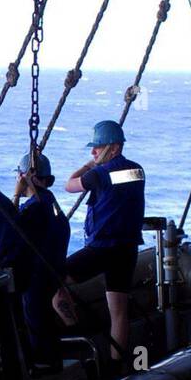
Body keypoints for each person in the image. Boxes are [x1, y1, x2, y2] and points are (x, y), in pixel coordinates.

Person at [54, 119, 145, 366]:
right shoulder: (136, 171)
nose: (93, 151)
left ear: (114, 148)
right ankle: (118, 365)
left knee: (55, 280)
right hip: (127, 249)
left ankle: (78, 337)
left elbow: (69, 184)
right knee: (119, 312)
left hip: (102, 248)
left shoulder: (99, 173)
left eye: (98, 147)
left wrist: (89, 164)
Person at [11, 150, 70, 371]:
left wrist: (16, 195)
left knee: (36, 320)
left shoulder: (35, 207)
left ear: (28, 176)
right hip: (51, 271)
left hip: (36, 275)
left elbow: (11, 227)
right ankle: (51, 362)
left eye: (20, 175)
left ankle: (45, 367)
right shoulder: (49, 201)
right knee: (43, 319)